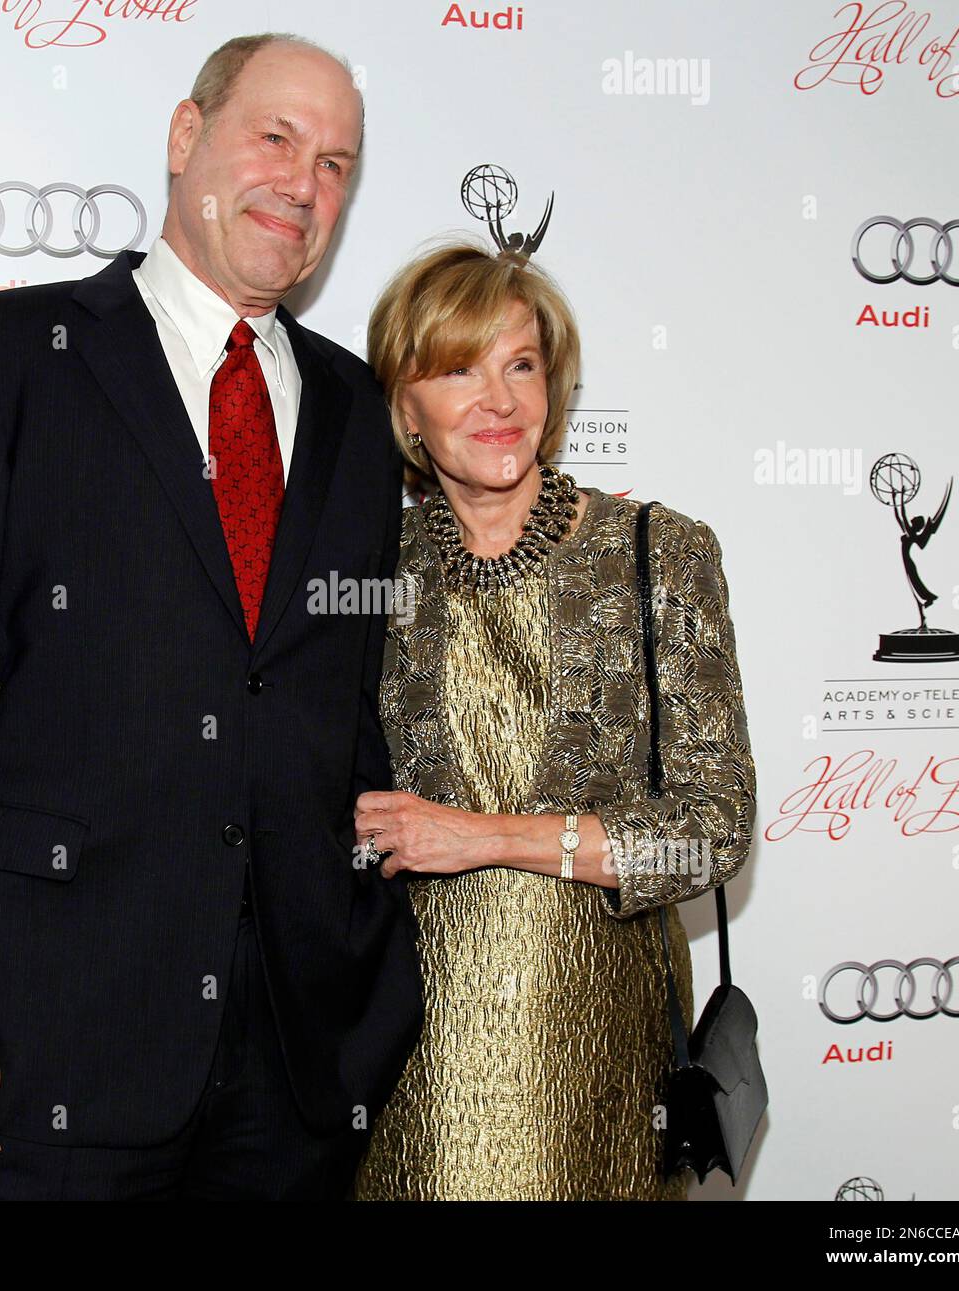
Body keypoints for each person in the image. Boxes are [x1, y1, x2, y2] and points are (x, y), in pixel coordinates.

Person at [0, 33, 423, 1201]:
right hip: (46, 1044)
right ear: (184, 136)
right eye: (275, 137)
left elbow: (338, 693)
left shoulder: (359, 408)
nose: (303, 182)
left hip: (299, 1066)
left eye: (336, 164)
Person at [348, 242, 758, 1200]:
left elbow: (715, 828)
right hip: (410, 1041)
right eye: (458, 369)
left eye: (520, 365)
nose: (500, 400)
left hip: (600, 1042)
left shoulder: (660, 553)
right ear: (405, 406)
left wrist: (482, 836)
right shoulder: (363, 566)